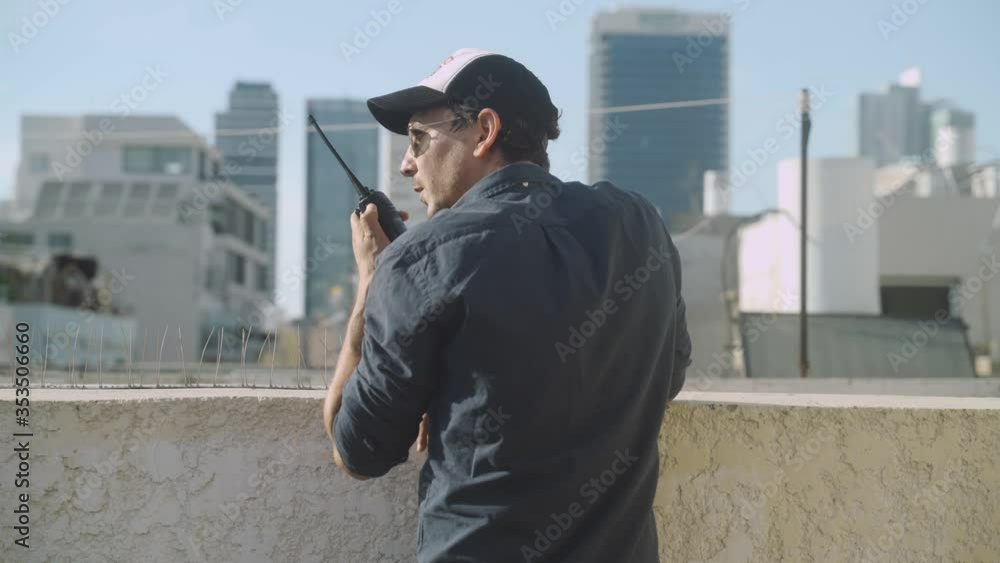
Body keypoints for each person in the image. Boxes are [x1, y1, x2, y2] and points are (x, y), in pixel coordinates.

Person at [322, 48, 691, 563]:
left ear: (485, 130)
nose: (407, 164)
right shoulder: (638, 226)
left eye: (418, 139)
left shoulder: (420, 259)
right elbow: (665, 376)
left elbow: (358, 450)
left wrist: (371, 282)